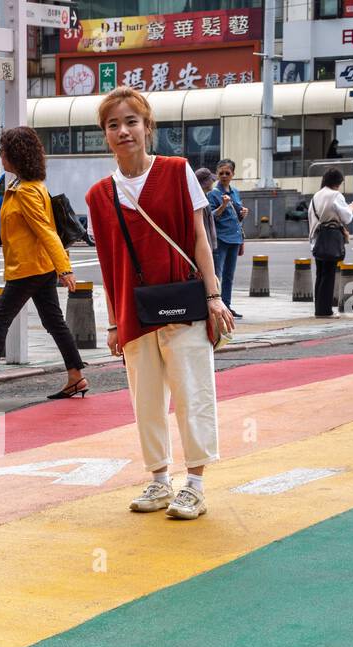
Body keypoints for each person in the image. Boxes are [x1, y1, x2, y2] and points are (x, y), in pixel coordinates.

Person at [85, 86, 233, 520]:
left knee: (193, 394)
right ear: (105, 135)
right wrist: (113, 322)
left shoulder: (176, 171)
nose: (123, 130)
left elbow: (199, 239)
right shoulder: (98, 196)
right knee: (145, 400)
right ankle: (158, 479)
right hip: (135, 310)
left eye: (131, 121)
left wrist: (214, 297)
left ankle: (197, 484)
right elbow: (108, 263)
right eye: (114, 124)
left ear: (148, 128)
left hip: (184, 304)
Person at [0, 127, 86, 401]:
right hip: (37, 266)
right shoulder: (26, 186)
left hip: (29, 268)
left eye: (2, 151)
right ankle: (76, 377)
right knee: (54, 322)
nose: (0, 155)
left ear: (15, 155)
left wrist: (65, 268)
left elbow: (46, 231)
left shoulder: (26, 192)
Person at [309, 168, 353, 318]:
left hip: (318, 239)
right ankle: (325, 311)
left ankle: (319, 308)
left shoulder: (316, 196)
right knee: (329, 274)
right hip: (330, 239)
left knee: (320, 274)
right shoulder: (335, 195)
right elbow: (346, 217)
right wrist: (351, 207)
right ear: (337, 183)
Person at [206, 159, 246, 320]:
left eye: (227, 173)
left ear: (233, 175)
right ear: (216, 174)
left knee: (229, 275)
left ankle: (227, 306)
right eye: (221, 173)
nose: (223, 176)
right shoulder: (213, 194)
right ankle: (217, 306)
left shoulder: (235, 192)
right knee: (218, 274)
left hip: (235, 238)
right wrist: (222, 206)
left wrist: (243, 214)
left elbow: (236, 217)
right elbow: (210, 217)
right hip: (221, 239)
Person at [195, 167, 218, 252]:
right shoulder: (199, 201)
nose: (213, 182)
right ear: (206, 183)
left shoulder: (204, 197)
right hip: (204, 245)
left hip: (208, 244)